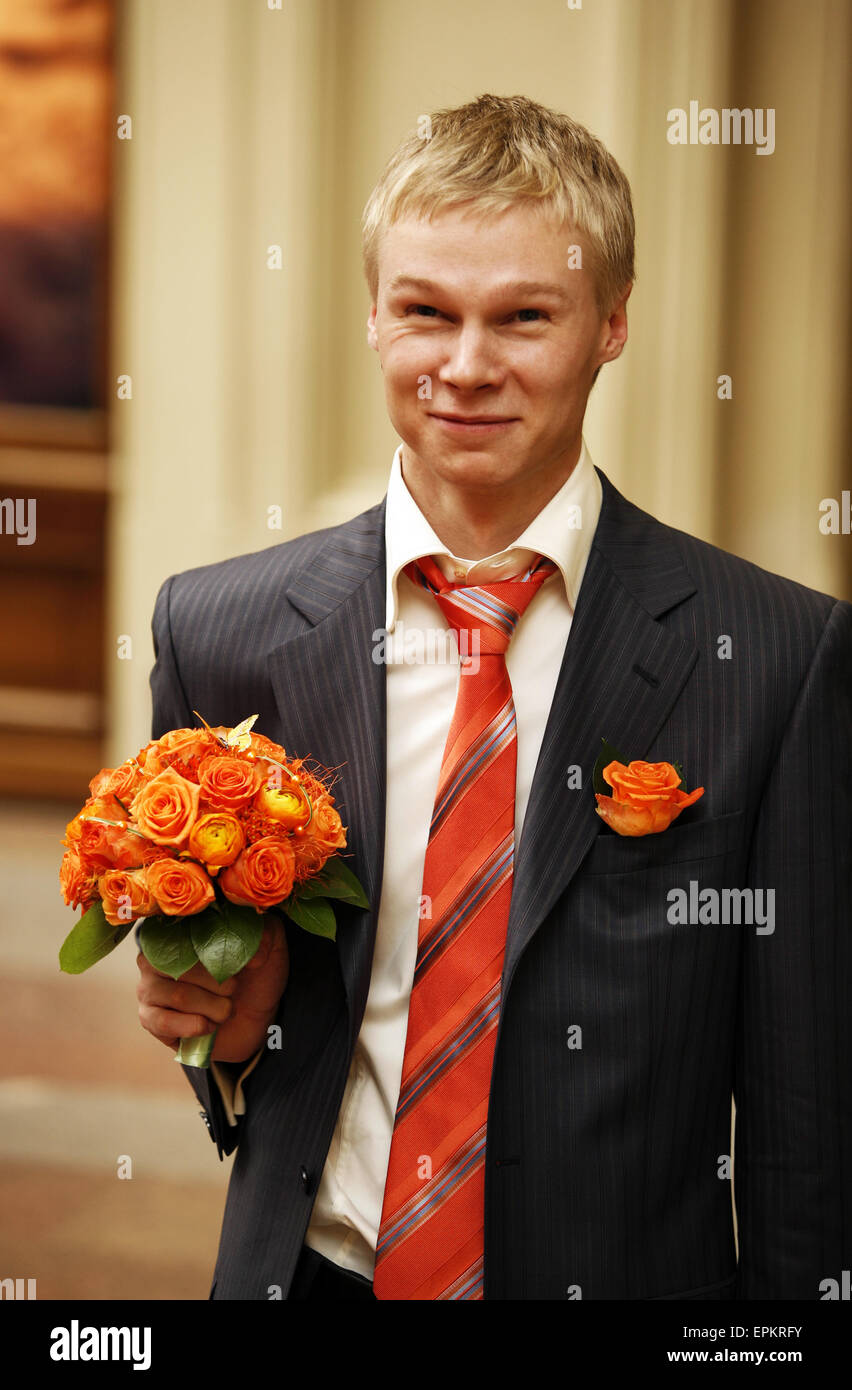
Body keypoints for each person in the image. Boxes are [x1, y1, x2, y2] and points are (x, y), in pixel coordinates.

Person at [136, 94, 851, 1300]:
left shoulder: (778, 656)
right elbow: (234, 1055)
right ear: (372, 314)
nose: (466, 367)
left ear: (612, 322)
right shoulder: (223, 635)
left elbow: (805, 1120)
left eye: (525, 316)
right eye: (425, 311)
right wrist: (230, 1036)